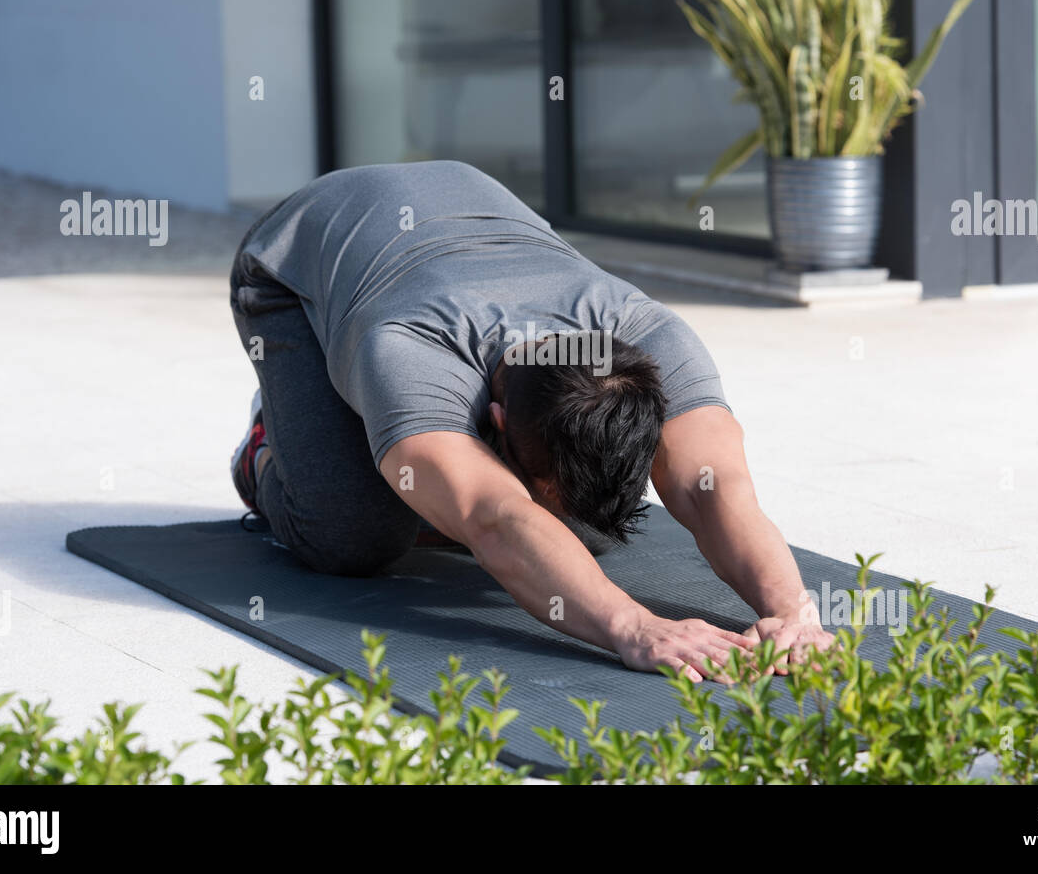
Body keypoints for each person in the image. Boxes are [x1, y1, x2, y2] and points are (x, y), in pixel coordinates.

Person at [228, 160, 833, 683]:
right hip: (296, 261)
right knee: (354, 538)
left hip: (467, 204)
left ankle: (422, 457)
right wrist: (635, 628)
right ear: (492, 420)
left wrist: (792, 613)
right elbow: (497, 518)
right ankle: (269, 446)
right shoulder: (409, 351)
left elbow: (716, 489)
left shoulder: (652, 339)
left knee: (586, 531)